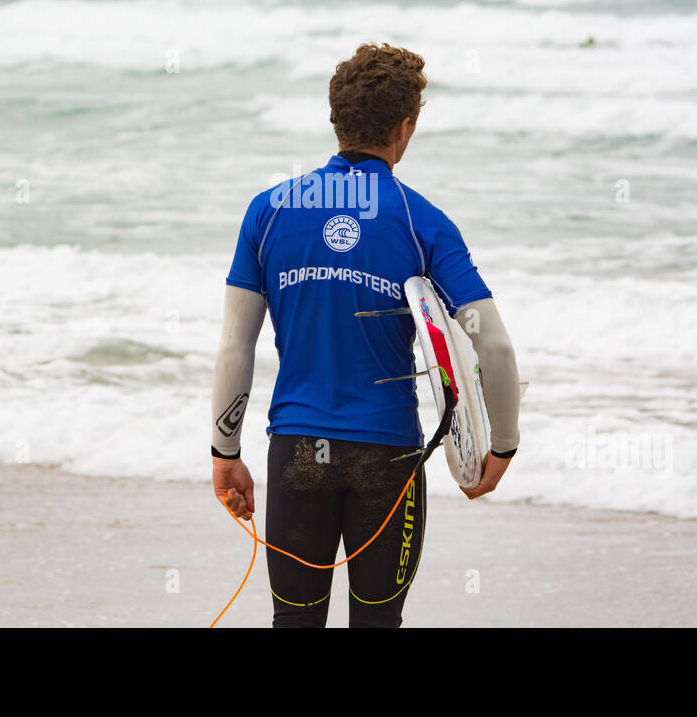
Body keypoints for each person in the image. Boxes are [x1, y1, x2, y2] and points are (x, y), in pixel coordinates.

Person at [210, 42, 521, 628]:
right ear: (405, 127)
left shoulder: (268, 210)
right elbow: (494, 345)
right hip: (388, 456)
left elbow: (235, 346)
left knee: (294, 622)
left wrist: (225, 453)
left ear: (336, 119)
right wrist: (500, 445)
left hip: (298, 449)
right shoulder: (421, 219)